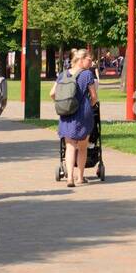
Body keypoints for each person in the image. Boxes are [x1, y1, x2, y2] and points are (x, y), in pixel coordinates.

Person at [56, 48, 99, 188]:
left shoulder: (63, 74)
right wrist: (90, 105)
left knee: (69, 146)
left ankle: (70, 178)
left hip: (67, 113)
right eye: (89, 60)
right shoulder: (87, 75)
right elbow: (94, 97)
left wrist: (63, 103)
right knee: (82, 147)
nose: (91, 63)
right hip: (82, 113)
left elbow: (52, 93)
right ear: (81, 60)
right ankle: (80, 177)